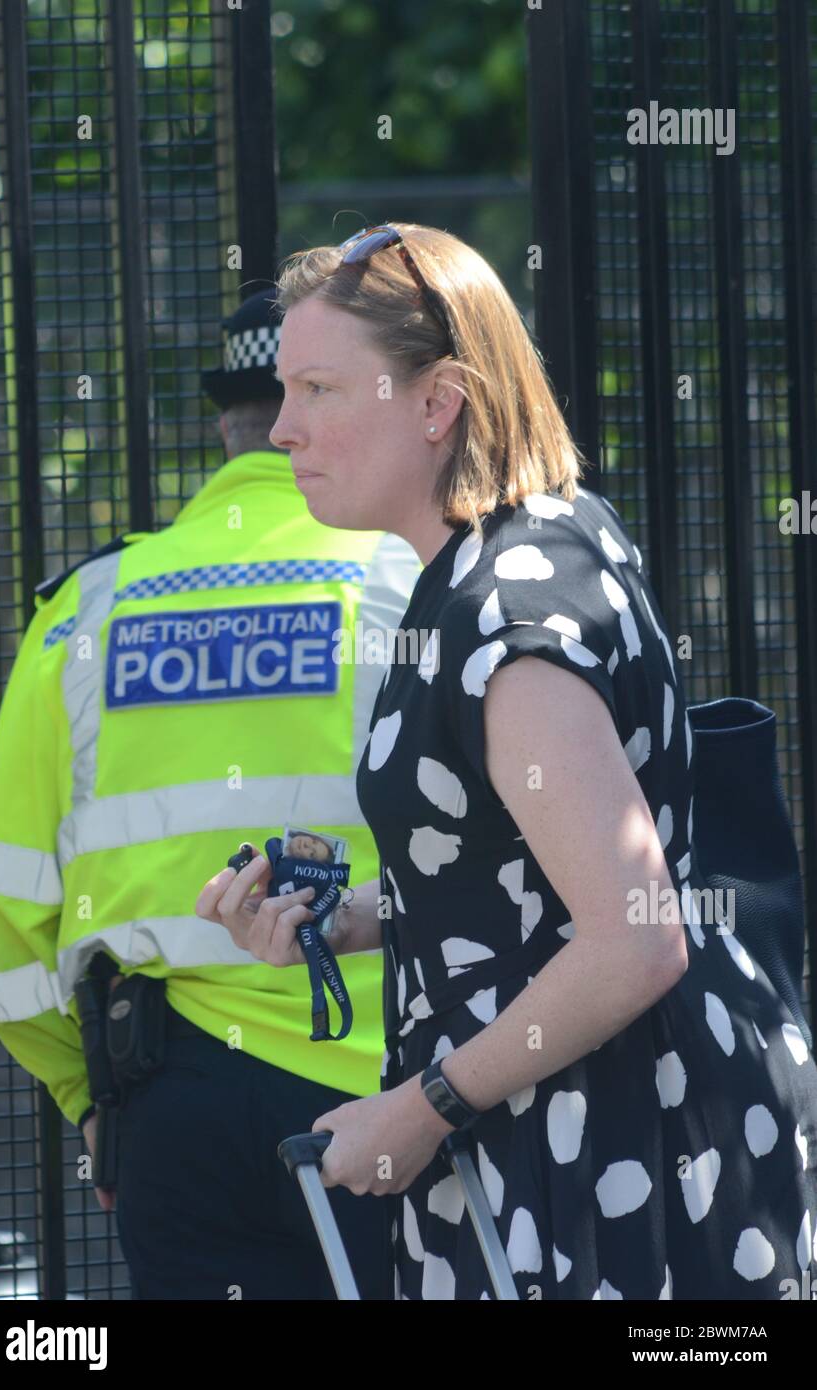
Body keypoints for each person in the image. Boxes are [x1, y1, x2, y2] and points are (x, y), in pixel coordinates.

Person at [196, 223, 817, 1300]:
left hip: (598, 1154)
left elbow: (636, 939)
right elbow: (537, 872)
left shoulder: (507, 611)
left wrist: (418, 1109)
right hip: (593, 1134)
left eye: (319, 390)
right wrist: (353, 923)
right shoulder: (530, 544)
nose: (283, 429)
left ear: (437, 403)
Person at [0, 286, 421, 1300]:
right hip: (398, 1098)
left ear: (224, 421)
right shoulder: (413, 578)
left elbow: (0, 904)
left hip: (175, 1109)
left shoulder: (90, 606)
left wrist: (91, 1100)